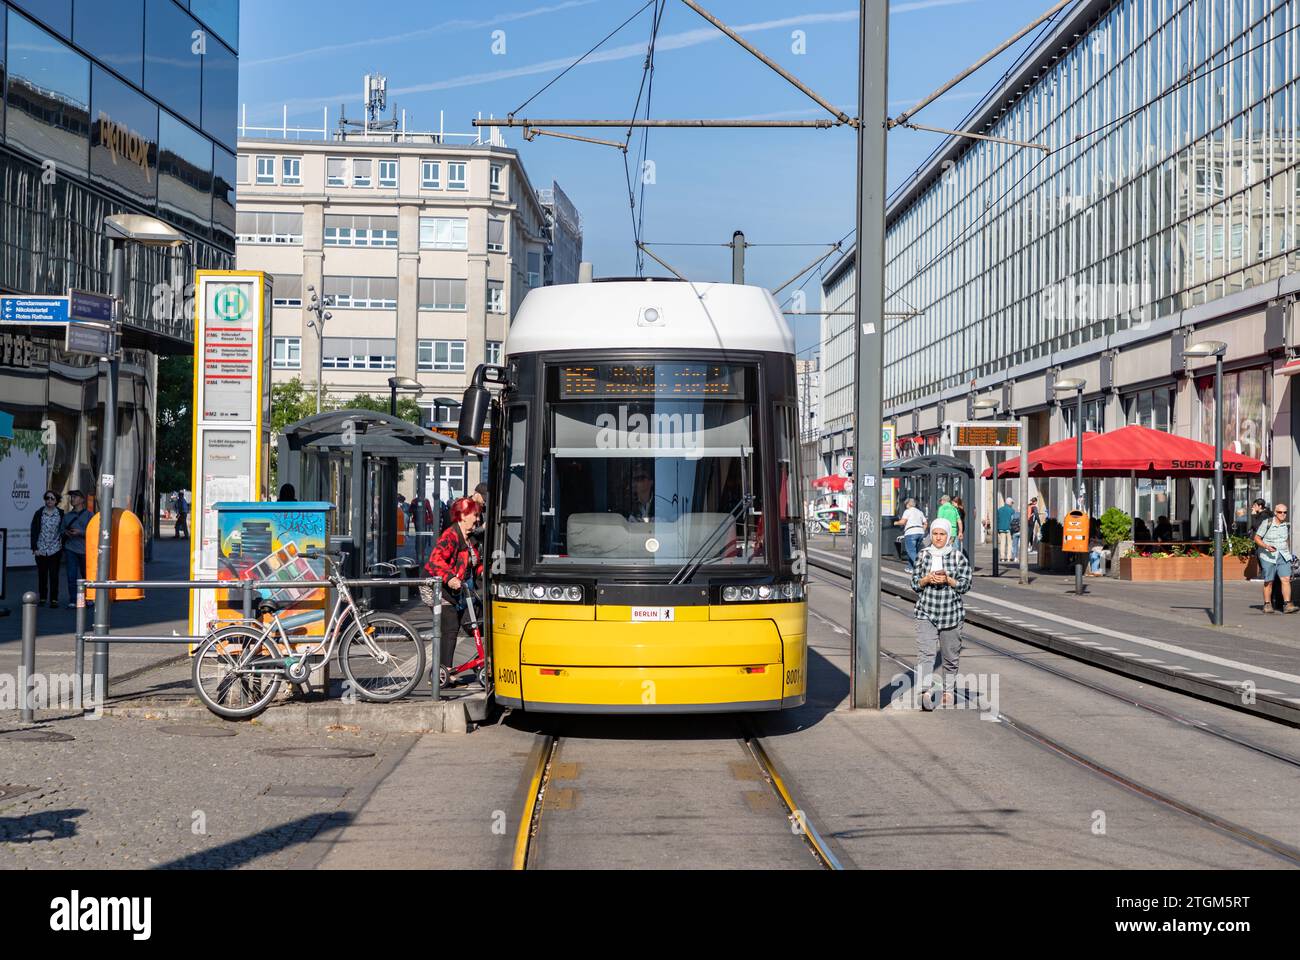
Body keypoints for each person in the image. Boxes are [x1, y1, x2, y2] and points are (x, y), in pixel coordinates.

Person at [910, 517, 973, 710]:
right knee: (926, 654)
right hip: (926, 611)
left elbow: (966, 585)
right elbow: (914, 584)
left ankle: (947, 690)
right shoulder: (923, 556)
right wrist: (927, 579)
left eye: (942, 534)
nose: (938, 538)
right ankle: (925, 692)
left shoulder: (957, 557)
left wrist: (949, 580)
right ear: (931, 535)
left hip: (950, 613)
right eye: (935, 534)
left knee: (950, 656)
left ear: (948, 536)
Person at [425, 497, 485, 680]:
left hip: (460, 590)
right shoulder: (450, 535)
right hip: (438, 587)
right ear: (462, 516)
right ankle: (442, 674)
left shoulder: (470, 539)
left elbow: (475, 564)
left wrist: (484, 573)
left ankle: (480, 662)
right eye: (474, 515)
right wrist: (450, 578)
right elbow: (434, 561)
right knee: (450, 625)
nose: (477, 519)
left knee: (476, 622)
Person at [1254, 503, 1297, 614]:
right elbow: (1257, 538)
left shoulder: (1286, 525)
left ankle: (1287, 604)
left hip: (1283, 555)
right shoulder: (1267, 523)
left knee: (1286, 579)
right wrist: (1266, 546)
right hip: (1268, 556)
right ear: (1275, 512)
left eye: (1285, 512)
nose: (1282, 514)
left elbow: (1286, 540)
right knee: (1269, 581)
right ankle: (1267, 604)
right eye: (1280, 512)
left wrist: (1289, 553)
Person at [31, 491, 64, 608]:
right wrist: (34, 548)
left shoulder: (61, 514)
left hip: (55, 549)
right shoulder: (39, 513)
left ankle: (54, 599)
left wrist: (62, 547)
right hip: (41, 549)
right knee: (42, 575)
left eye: (52, 498)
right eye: (47, 498)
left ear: (56, 501)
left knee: (54, 576)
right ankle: (43, 598)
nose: (49, 500)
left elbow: (63, 530)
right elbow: (34, 530)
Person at [60, 490, 92, 609]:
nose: (72, 499)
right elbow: (61, 530)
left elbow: (94, 532)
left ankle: (88, 598)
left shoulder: (89, 515)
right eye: (71, 497)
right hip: (71, 548)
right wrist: (66, 533)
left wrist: (80, 532)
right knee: (71, 575)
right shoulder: (67, 516)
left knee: (86, 575)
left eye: (75, 497)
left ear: (82, 500)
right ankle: (73, 600)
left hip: (85, 550)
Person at [894, 498, 927, 573]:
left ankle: (921, 565)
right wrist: (922, 531)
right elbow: (925, 523)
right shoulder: (920, 512)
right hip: (920, 533)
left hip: (911, 532)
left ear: (908, 504)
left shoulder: (907, 511)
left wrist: (895, 523)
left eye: (906, 505)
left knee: (911, 551)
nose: (905, 506)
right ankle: (910, 568)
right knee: (914, 551)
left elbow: (903, 522)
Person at [996, 496, 1016, 562]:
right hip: (1009, 529)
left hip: (1001, 528)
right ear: (1009, 503)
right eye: (1012, 503)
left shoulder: (999, 509)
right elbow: (1013, 520)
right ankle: (1008, 557)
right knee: (1010, 543)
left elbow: (997, 519)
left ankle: (1002, 557)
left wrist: (997, 528)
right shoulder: (1012, 510)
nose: (1012, 504)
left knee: (1002, 543)